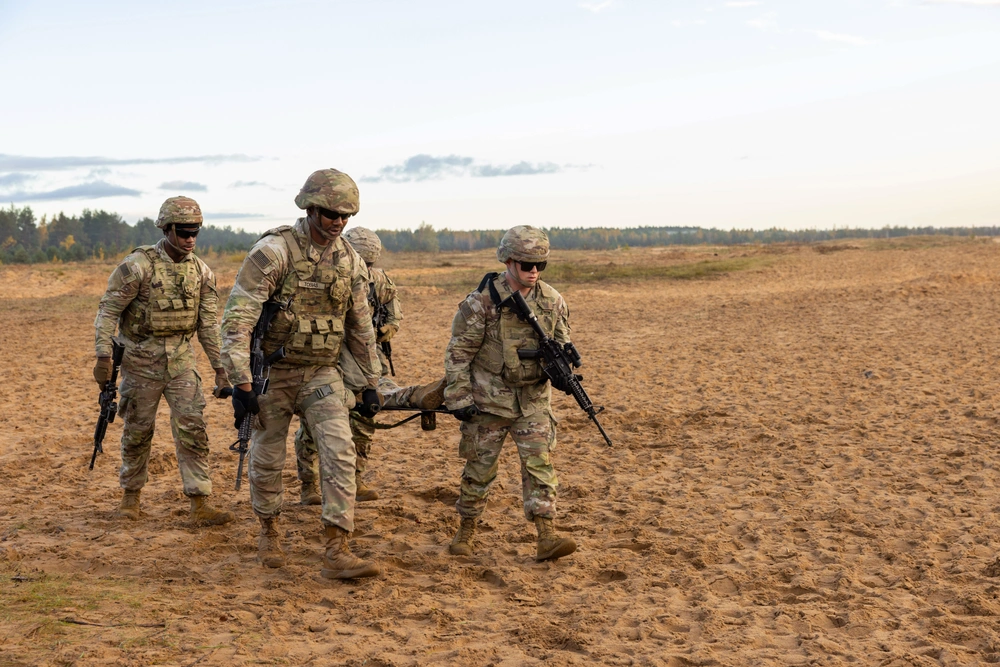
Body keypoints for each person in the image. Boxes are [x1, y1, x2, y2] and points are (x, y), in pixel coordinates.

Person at [220, 168, 383, 579]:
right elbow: (237, 320)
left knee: (340, 450)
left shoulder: (349, 259)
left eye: (346, 216)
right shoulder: (273, 252)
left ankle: (337, 547)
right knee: (268, 455)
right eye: (330, 214)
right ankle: (269, 530)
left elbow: (360, 325)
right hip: (272, 375)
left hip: (321, 373)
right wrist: (240, 382)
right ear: (310, 207)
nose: (338, 222)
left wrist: (369, 383)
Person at [92, 196, 234, 526]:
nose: (190, 239)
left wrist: (221, 369)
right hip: (140, 361)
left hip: (182, 361)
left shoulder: (202, 272)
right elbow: (108, 311)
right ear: (167, 229)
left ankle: (199, 502)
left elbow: (208, 325)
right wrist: (102, 355)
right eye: (183, 232)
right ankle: (131, 496)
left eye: (195, 232)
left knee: (192, 429)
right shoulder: (137, 266)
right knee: (138, 431)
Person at [443, 225, 577, 561]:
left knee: (540, 466)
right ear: (507, 261)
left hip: (532, 401)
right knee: (479, 470)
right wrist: (460, 398)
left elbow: (561, 342)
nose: (533, 272)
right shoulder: (482, 303)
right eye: (526, 264)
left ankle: (546, 535)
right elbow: (458, 354)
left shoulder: (552, 300)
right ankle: (467, 531)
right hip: (489, 402)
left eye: (540, 265)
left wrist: (561, 373)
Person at [293, 226, 445, 505]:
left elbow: (393, 311)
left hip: (365, 355)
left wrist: (387, 328)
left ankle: (356, 479)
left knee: (365, 415)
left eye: (369, 263)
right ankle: (309, 485)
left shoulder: (380, 281)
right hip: (327, 357)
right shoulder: (324, 277)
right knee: (314, 422)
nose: (364, 268)